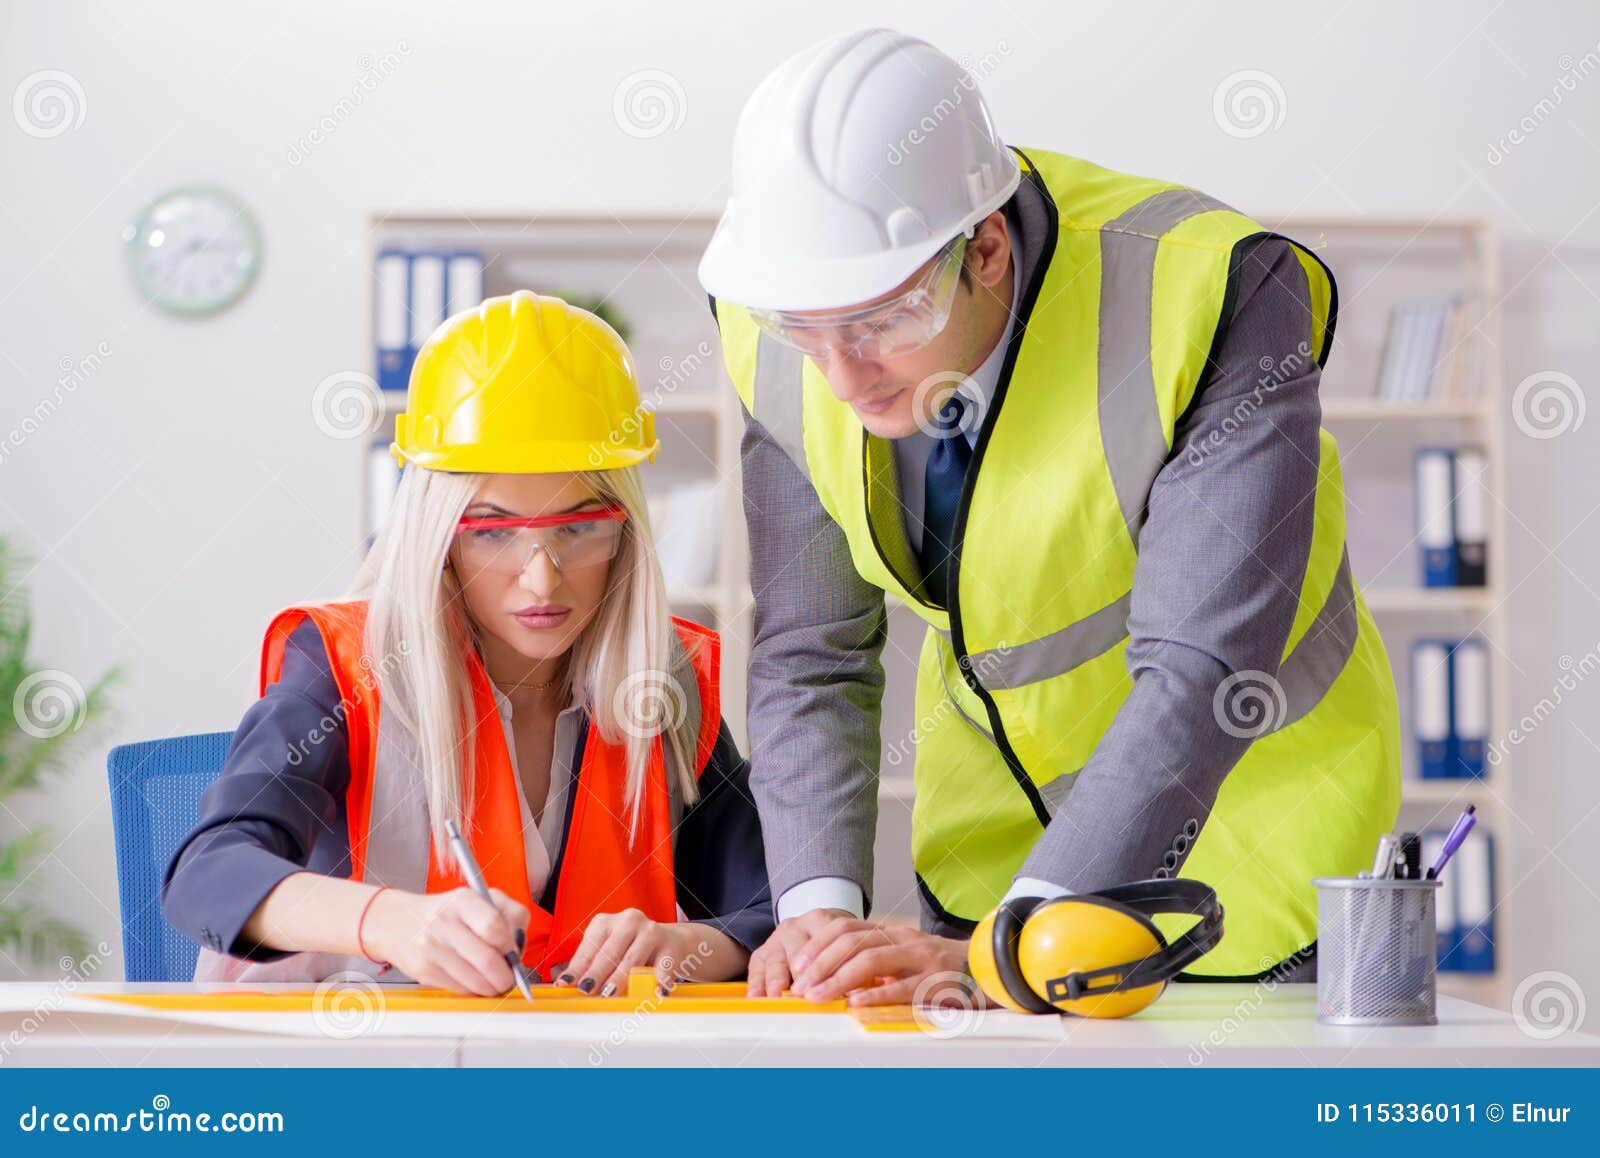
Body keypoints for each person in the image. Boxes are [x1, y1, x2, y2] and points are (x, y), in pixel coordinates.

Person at [698, 28, 1400, 1004]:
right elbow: (809, 651)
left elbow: (1202, 666)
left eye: (882, 320)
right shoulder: (783, 327)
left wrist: (1026, 937)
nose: (843, 377)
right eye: (807, 332)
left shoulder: (1208, 290)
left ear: (985, 248)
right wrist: (814, 912)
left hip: (1253, 864)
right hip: (986, 864)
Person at [163, 291, 773, 996]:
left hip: (564, 1050)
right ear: (440, 538)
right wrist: (391, 922)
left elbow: (775, 908)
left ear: (627, 533)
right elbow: (207, 873)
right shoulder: (345, 665)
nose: (541, 578)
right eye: (493, 531)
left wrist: (689, 944)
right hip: (345, 1045)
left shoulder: (657, 682)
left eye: (580, 528)